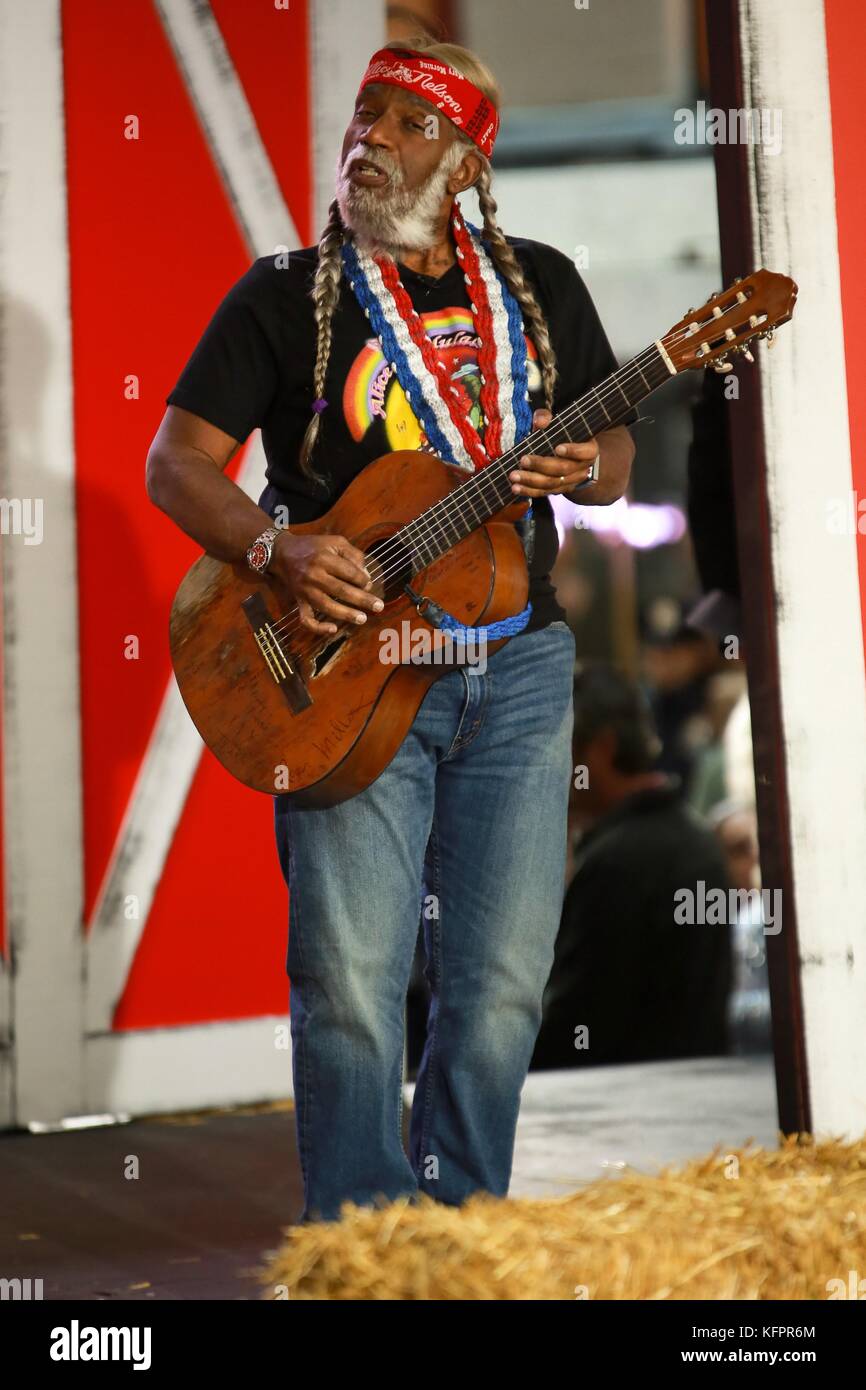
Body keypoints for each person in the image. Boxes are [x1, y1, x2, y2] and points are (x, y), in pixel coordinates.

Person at [145, 38, 636, 1223]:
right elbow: (175, 464)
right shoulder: (278, 295)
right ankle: (361, 1244)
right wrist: (275, 547)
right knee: (354, 978)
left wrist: (588, 464)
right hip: (341, 671)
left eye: (408, 125)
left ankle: (462, 1229)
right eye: (364, 115)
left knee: (502, 981)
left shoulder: (542, 285)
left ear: (466, 162)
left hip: (514, 664)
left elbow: (616, 462)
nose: (371, 137)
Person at [532, 663, 732, 1070]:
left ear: (601, 749)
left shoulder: (620, 863)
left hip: (633, 1110)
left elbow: (575, 1029)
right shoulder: (693, 835)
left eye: (553, 749)